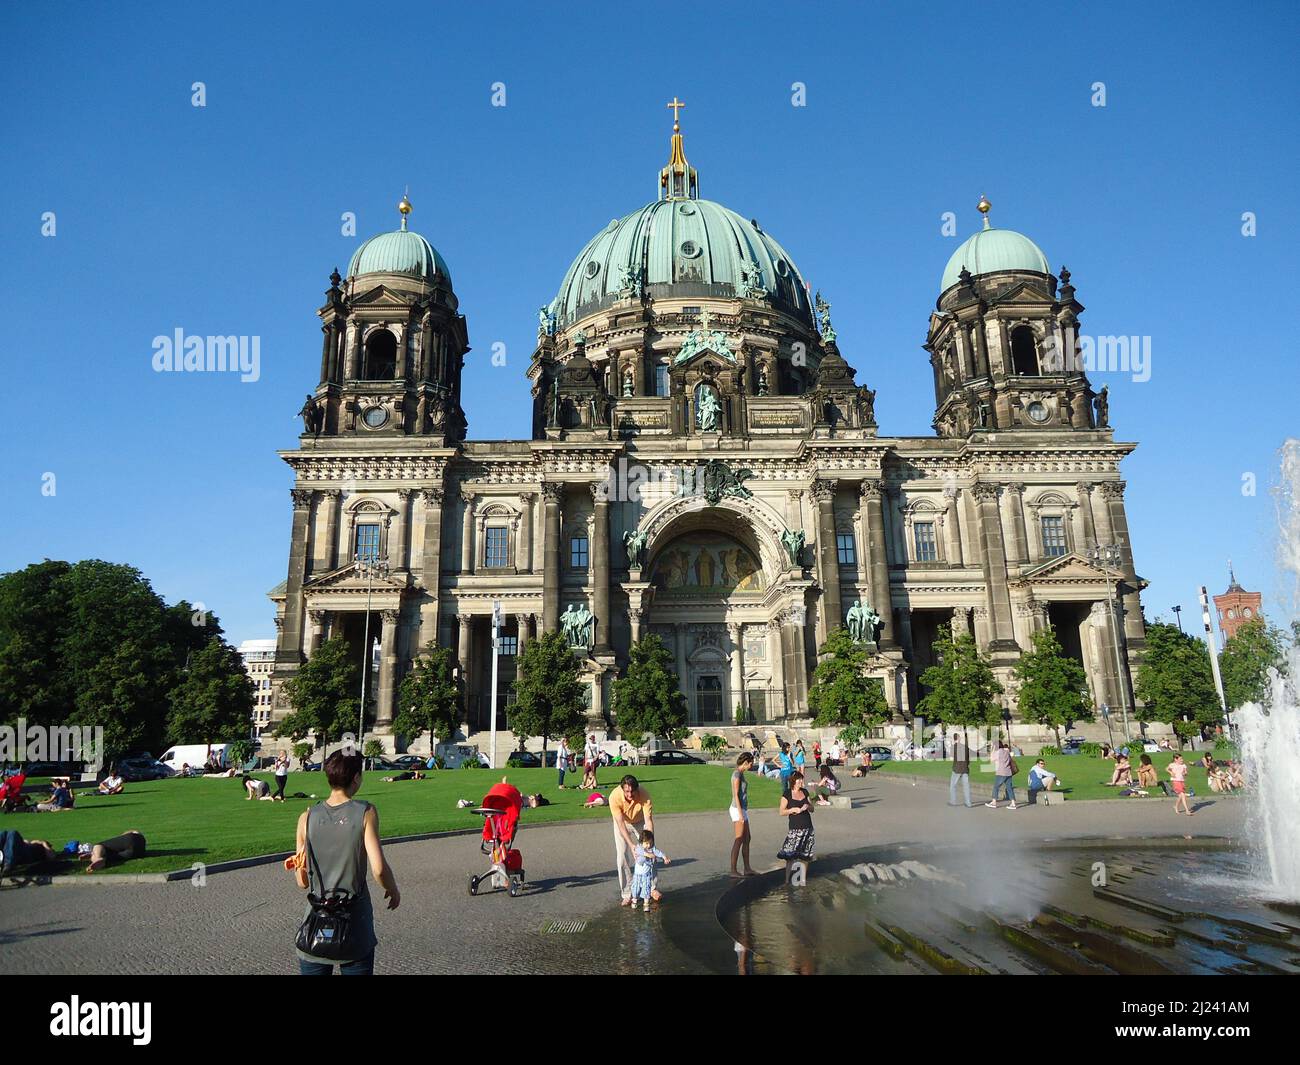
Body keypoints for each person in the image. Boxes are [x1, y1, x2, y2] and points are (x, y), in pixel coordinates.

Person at [293, 751, 400, 976]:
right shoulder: (366, 812)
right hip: (353, 918)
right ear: (356, 778)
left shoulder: (307, 817)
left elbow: (302, 881)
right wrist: (392, 889)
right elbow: (378, 868)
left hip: (316, 919)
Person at [611, 774, 657, 906]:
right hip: (623, 823)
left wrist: (648, 843)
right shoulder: (614, 797)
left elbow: (648, 821)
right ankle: (627, 893)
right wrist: (632, 845)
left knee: (650, 853)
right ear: (622, 789)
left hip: (640, 821)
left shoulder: (644, 794)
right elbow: (620, 824)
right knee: (621, 858)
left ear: (637, 789)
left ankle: (652, 888)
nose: (629, 794)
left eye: (632, 791)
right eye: (626, 791)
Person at [777, 770, 815, 881]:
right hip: (795, 828)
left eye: (801, 779)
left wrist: (808, 807)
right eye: (799, 779)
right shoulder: (787, 794)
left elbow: (812, 809)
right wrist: (793, 809)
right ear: (794, 781)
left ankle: (802, 879)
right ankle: (787, 880)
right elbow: (781, 812)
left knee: (805, 856)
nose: (801, 781)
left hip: (807, 827)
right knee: (790, 856)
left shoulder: (805, 792)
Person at [729, 753, 758, 878]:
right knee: (739, 839)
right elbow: (735, 794)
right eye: (751, 763)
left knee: (747, 838)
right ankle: (733, 870)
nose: (752, 765)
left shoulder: (741, 774)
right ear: (746, 762)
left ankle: (747, 868)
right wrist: (740, 814)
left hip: (742, 809)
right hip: (737, 809)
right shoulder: (737, 774)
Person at [629, 829, 670, 911]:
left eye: (650, 843)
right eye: (646, 843)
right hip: (637, 874)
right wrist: (647, 854)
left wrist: (665, 858)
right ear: (641, 842)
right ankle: (634, 900)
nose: (648, 845)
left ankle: (646, 903)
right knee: (636, 888)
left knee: (646, 888)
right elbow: (639, 851)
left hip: (646, 874)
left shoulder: (652, 849)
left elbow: (659, 853)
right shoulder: (639, 847)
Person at [77, 830, 147, 873]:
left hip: (133, 839)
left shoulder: (132, 833)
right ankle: (95, 857)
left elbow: (133, 831)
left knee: (98, 845)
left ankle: (96, 856)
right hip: (139, 852)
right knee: (106, 857)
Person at [985, 743, 1017, 810]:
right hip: (1008, 772)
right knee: (1009, 787)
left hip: (1001, 772)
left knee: (996, 787)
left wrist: (992, 750)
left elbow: (991, 760)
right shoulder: (1006, 751)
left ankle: (994, 802)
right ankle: (1013, 803)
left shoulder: (997, 752)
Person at [949, 733, 972, 807]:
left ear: (954, 739)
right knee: (966, 786)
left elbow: (951, 758)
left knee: (953, 785)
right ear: (958, 738)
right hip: (965, 768)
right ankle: (968, 803)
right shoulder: (965, 747)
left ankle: (953, 801)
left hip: (957, 769)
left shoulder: (953, 747)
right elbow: (968, 759)